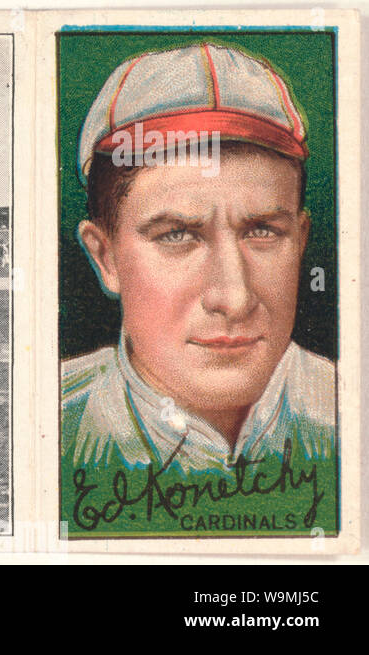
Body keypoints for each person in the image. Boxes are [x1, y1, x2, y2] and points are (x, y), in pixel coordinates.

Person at [63, 43, 335, 480]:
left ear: (300, 243)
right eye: (177, 235)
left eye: (263, 230)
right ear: (105, 256)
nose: (234, 298)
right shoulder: (46, 422)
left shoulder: (349, 411)